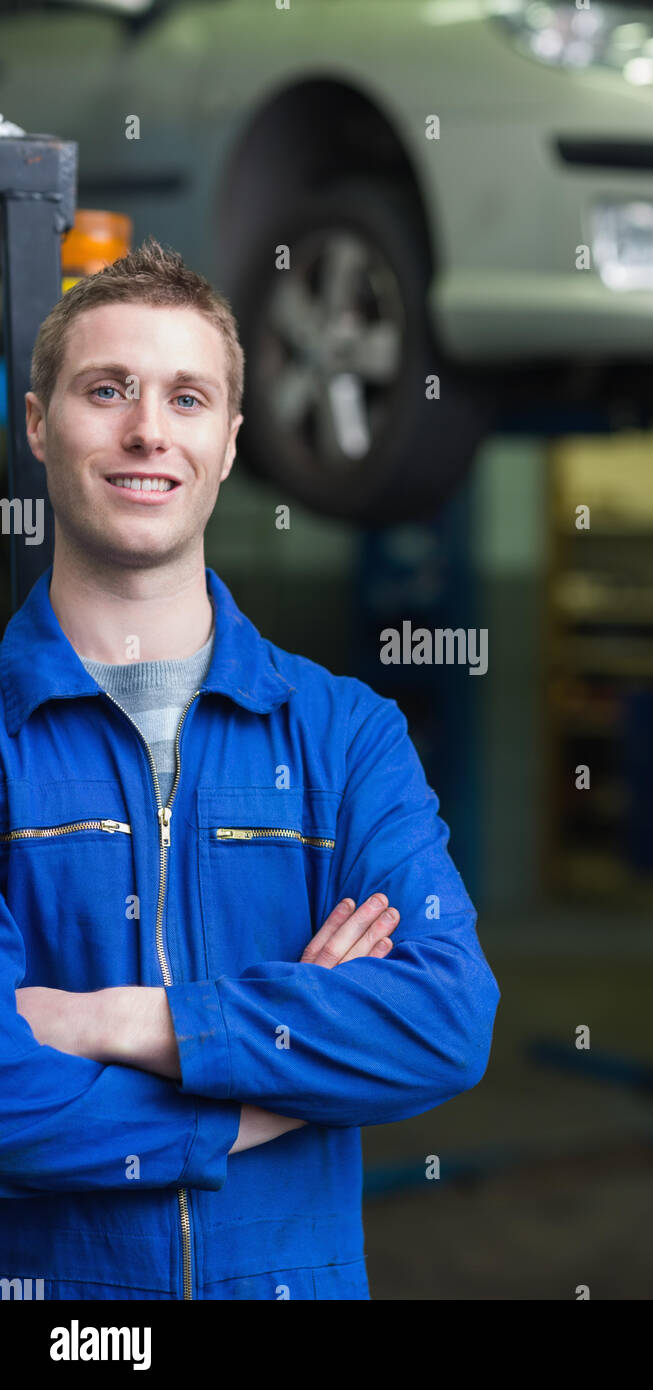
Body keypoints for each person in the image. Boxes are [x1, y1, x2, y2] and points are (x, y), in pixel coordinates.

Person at [0, 236, 500, 1300]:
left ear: (228, 443)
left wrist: (114, 1021)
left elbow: (444, 1021)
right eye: (106, 390)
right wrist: (266, 1093)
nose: (147, 429)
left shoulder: (345, 734)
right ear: (38, 424)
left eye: (187, 400)